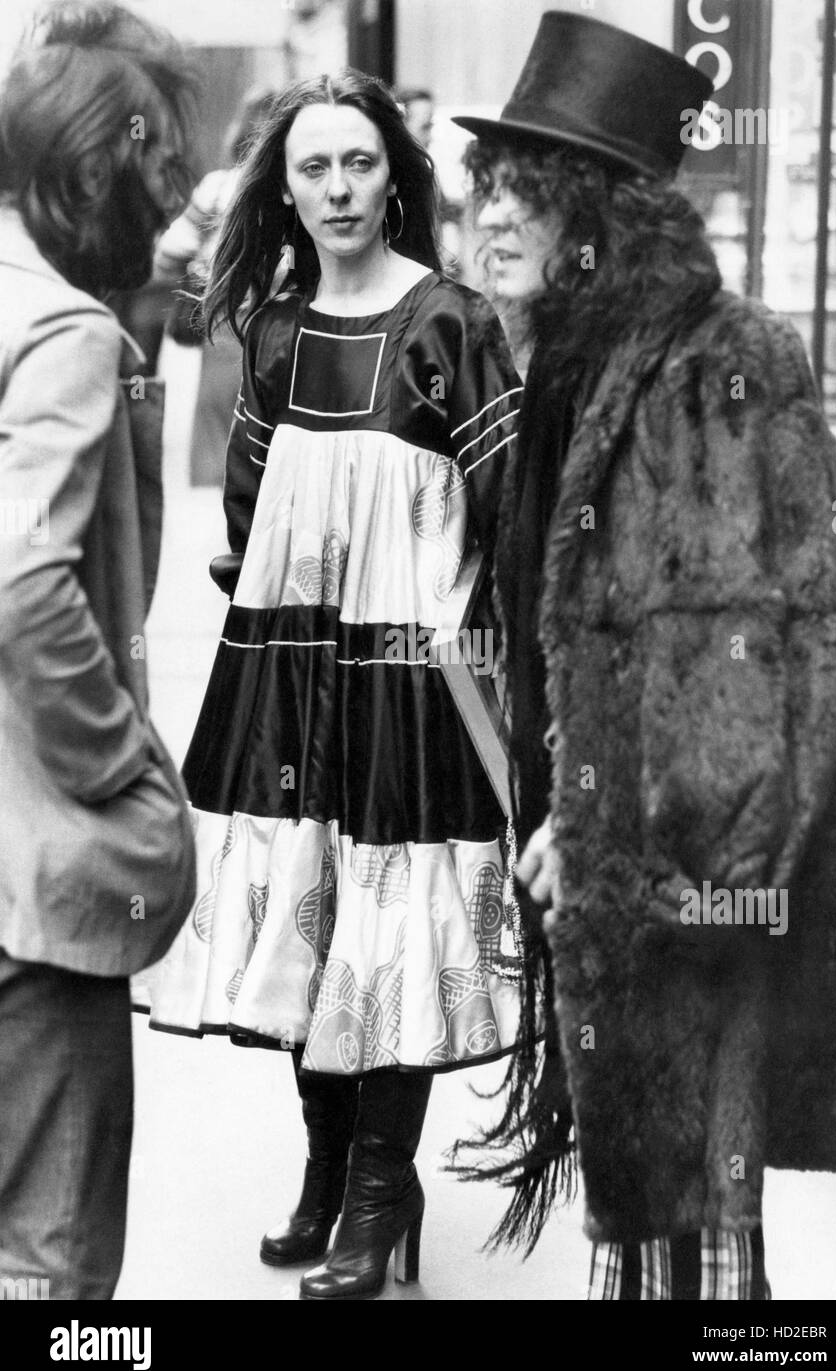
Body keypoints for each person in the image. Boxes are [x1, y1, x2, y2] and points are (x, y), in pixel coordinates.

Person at [451, 11, 836, 1300]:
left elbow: (741, 663)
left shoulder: (715, 364)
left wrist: (604, 837)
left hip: (701, 875)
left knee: (708, 1232)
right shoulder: (564, 371)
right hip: (623, 877)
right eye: (487, 189)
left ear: (607, 220)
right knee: (650, 1228)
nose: (494, 219)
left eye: (534, 191)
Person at [137, 68, 523, 1301]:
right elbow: (248, 519)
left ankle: (376, 1194)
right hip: (293, 679)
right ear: (285, 188)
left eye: (361, 164)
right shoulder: (276, 332)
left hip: (414, 686)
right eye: (314, 167)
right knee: (309, 925)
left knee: (391, 938)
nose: (339, 187)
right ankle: (322, 1171)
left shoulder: (452, 322)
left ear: (394, 178)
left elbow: (508, 520)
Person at [0, 0, 199, 1300]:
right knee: (55, 1271)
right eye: (159, 174)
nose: (172, 213)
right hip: (33, 883)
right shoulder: (64, 333)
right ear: (97, 171)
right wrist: (117, 765)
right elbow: (24, 580)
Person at [154, 87, 278, 486]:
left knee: (219, 437)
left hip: (225, 322)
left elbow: (167, 254)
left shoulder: (219, 187)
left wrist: (199, 265)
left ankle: (227, 534)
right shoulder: (292, 188)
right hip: (285, 323)